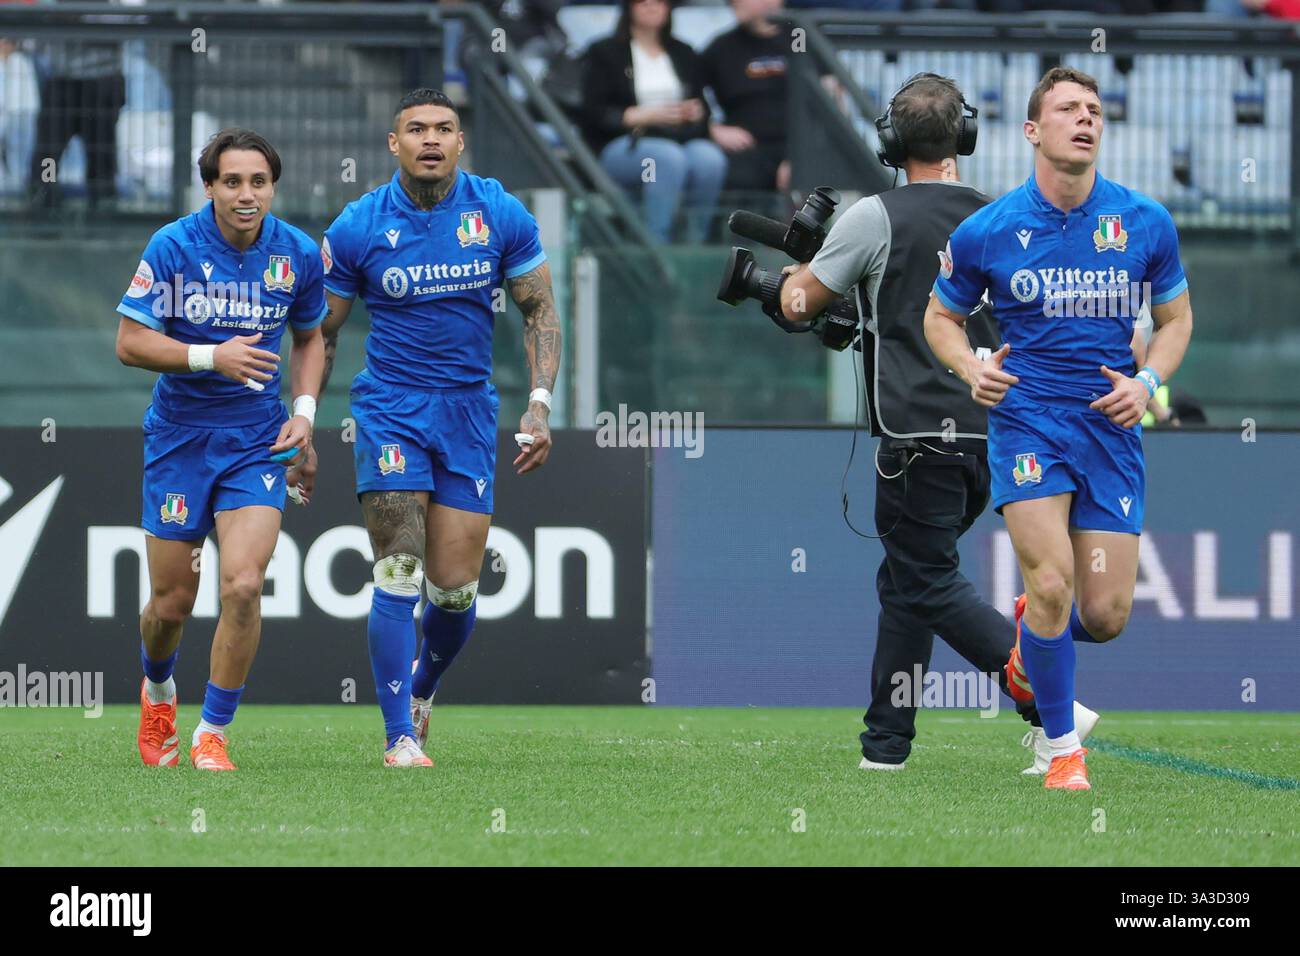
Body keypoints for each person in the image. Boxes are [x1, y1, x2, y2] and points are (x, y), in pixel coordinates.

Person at [777, 73, 1098, 774]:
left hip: (915, 433)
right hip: (996, 434)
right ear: (966, 137)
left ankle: (1049, 699)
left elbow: (801, 305)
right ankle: (885, 747)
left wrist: (789, 275)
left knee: (924, 581)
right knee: (906, 580)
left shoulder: (873, 217)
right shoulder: (1003, 217)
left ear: (891, 142)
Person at [926, 66, 1194, 790]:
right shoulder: (987, 229)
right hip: (1027, 425)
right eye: (1069, 109)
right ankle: (1061, 751)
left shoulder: (1144, 221)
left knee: (1102, 614)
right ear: (1032, 131)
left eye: (1095, 110)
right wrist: (969, 368)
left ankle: (1028, 647)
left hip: (1110, 432)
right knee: (1051, 583)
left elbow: (1175, 323)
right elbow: (940, 318)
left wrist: (1148, 383)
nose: (1086, 119)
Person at [294, 88, 560, 768]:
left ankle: (423, 689)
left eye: (444, 128)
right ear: (394, 144)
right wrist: (303, 422)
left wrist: (538, 402)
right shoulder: (359, 225)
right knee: (400, 566)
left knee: (454, 589)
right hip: (389, 408)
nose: (431, 139)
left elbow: (540, 312)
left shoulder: (497, 212)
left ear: (460, 142)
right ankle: (397, 738)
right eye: (416, 129)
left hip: (469, 411)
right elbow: (321, 335)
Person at [115, 129, 326, 771]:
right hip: (179, 439)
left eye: (258, 182)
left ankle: (212, 731)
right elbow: (128, 342)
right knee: (171, 604)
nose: (245, 194)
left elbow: (311, 339)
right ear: (209, 186)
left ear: (272, 187)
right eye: (232, 181)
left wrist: (306, 416)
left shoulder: (295, 253)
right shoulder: (173, 245)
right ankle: (158, 692)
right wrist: (212, 355)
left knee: (242, 584)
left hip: (255, 441)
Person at [578, 0, 727, 243]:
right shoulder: (604, 51)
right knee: (667, 159)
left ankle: (695, 245)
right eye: (642, 0)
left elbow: (703, 108)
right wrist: (642, 115)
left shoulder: (683, 51)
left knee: (710, 159)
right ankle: (657, 249)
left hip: (680, 136)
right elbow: (593, 114)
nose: (651, 5)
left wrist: (695, 113)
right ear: (628, 8)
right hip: (625, 143)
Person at [702, 0, 792, 197]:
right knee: (737, 180)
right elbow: (689, 96)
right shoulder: (721, 47)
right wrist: (713, 130)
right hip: (745, 150)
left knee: (810, 182)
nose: (734, 3)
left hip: (797, 145)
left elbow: (829, 102)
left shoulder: (801, 40)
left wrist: (797, 158)